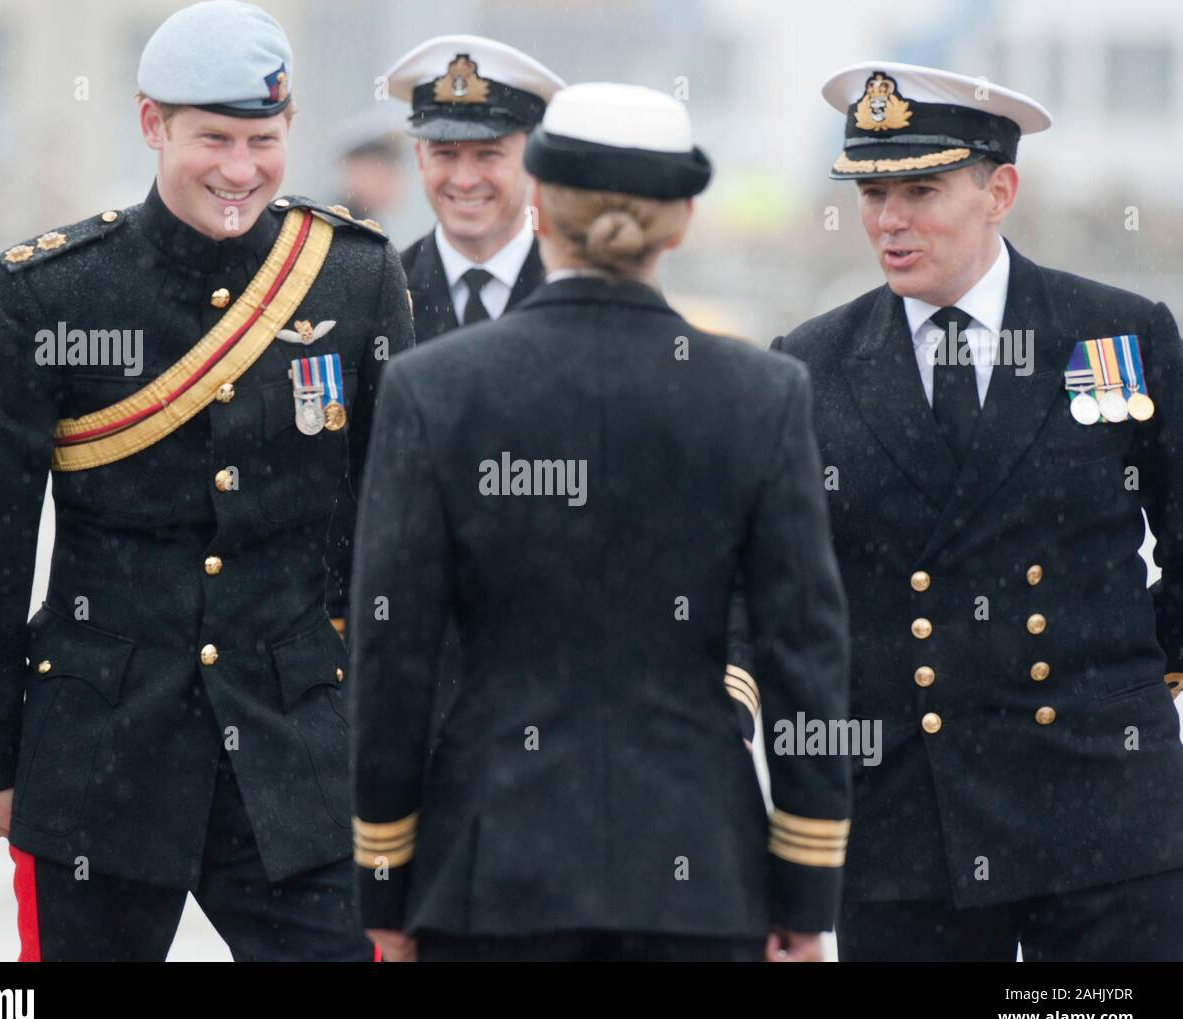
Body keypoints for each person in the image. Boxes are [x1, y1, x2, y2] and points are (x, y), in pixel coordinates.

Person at [0, 0, 413, 961]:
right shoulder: (47, 293)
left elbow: (388, 524)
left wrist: (395, 729)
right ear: (152, 124)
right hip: (97, 748)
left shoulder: (354, 281)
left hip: (298, 750)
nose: (241, 170)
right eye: (214, 139)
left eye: (263, 140)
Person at [349, 82, 851, 963]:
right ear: (683, 219)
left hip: (491, 871)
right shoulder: (761, 395)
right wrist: (804, 897)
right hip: (698, 873)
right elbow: (806, 656)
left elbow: (394, 656)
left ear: (539, 201)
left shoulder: (436, 388)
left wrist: (386, 879)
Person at [774, 61, 1183, 961]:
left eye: (921, 188)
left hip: (1102, 806)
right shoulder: (809, 366)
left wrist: (1138, 673)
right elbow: (780, 587)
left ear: (1000, 190)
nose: (889, 220)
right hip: (911, 824)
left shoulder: (1114, 335)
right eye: (873, 193)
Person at [385, 34, 563, 342]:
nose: (465, 180)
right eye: (445, 153)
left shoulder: (574, 292)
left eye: (488, 154)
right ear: (420, 158)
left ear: (532, 157)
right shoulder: (385, 292)